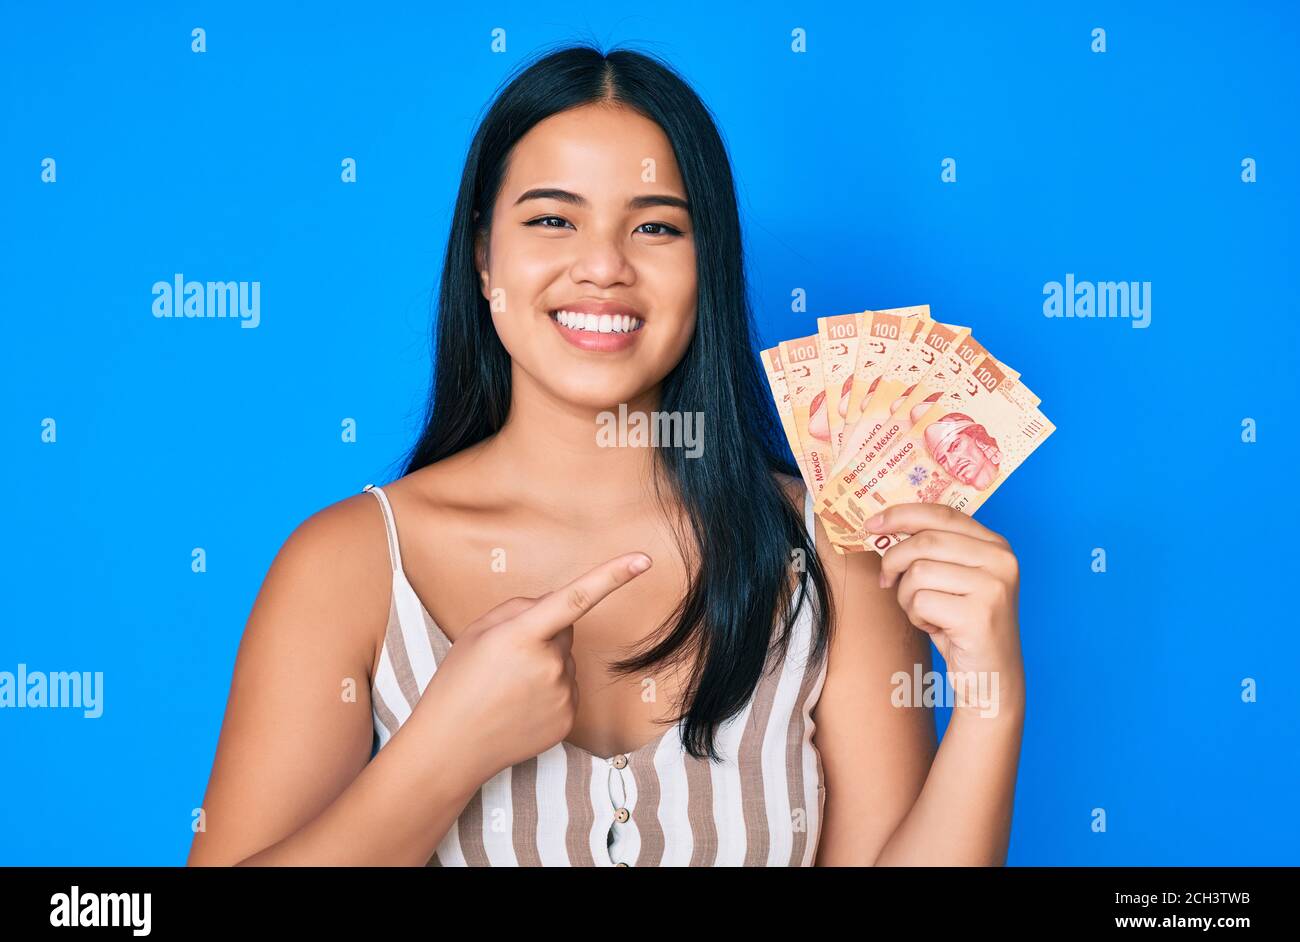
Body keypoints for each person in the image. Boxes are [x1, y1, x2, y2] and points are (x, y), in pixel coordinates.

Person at [187, 43, 1025, 867]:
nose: (602, 267)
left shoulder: (833, 548)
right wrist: (442, 751)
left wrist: (990, 703)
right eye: (553, 219)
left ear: (709, 265)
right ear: (484, 259)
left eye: (656, 227)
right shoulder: (348, 564)